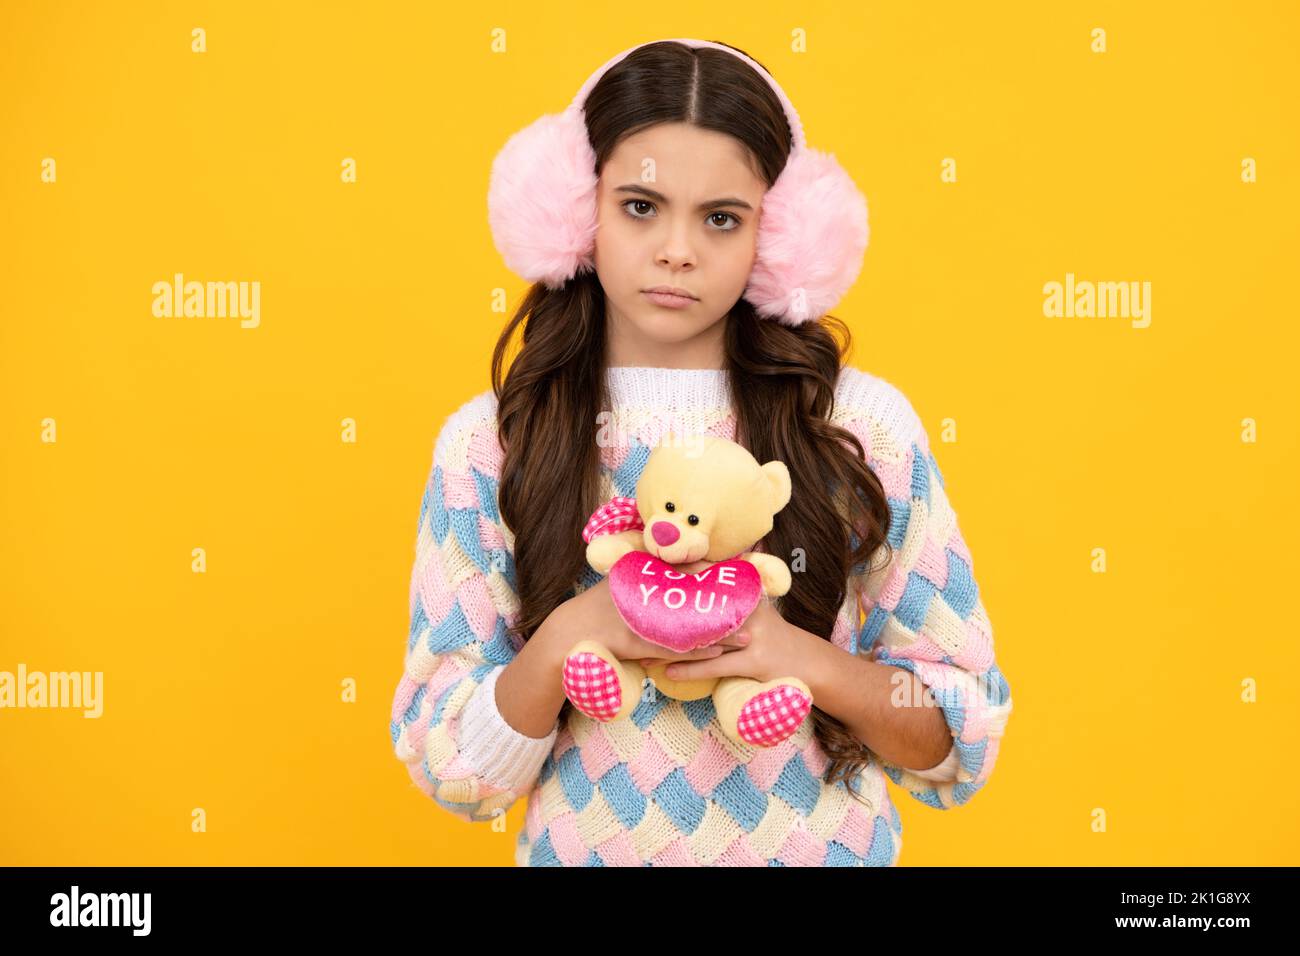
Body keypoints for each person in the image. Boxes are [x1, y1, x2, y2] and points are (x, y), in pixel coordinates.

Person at [388, 38, 1013, 866]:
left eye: (722, 217)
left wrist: (796, 656)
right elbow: (451, 764)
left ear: (782, 235)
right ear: (576, 211)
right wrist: (580, 630)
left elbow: (960, 727)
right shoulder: (494, 443)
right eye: (641, 206)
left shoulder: (861, 427)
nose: (678, 249)